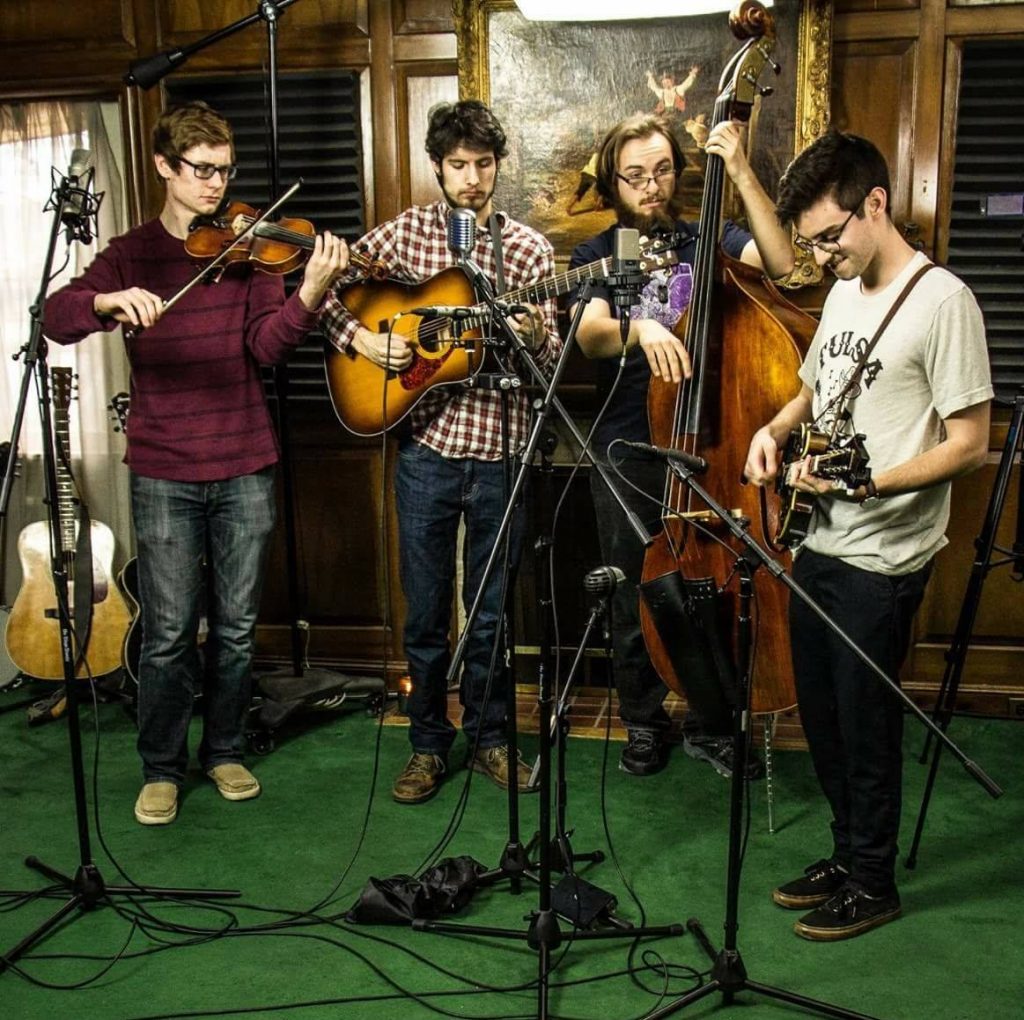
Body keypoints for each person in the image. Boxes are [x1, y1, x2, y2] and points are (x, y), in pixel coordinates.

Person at [43, 101, 348, 825]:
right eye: (202, 170)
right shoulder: (131, 254)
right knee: (170, 632)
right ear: (164, 166)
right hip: (163, 470)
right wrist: (107, 299)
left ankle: (225, 749)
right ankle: (161, 766)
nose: (216, 185)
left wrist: (309, 294)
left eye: (225, 171)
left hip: (245, 463)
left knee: (236, 628)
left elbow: (266, 347)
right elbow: (56, 317)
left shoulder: (249, 249)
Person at [743, 129, 992, 940]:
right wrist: (773, 430)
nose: (819, 257)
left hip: (883, 558)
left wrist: (866, 484)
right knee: (820, 717)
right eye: (811, 242)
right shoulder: (845, 291)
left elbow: (969, 443)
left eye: (828, 237)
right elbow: (814, 389)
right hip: (817, 541)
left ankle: (874, 882)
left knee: (866, 726)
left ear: (875, 204)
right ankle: (848, 854)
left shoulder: (944, 302)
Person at [320, 101, 561, 805]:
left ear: (499, 166)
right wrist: (366, 342)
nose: (472, 178)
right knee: (425, 611)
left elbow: (549, 360)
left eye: (484, 164)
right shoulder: (405, 234)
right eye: (458, 165)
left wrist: (533, 335)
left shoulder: (528, 251)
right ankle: (427, 744)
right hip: (427, 450)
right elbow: (325, 288)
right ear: (437, 166)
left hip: (502, 451)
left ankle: (489, 739)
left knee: (492, 614)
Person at [568, 113, 795, 778]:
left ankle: (712, 723)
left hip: (709, 445)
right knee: (630, 593)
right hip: (627, 451)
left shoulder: (709, 237)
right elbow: (591, 335)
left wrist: (741, 170)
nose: (651, 186)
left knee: (712, 589)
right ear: (613, 183)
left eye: (663, 170)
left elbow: (781, 265)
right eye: (635, 175)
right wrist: (642, 330)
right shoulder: (599, 253)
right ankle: (643, 722)